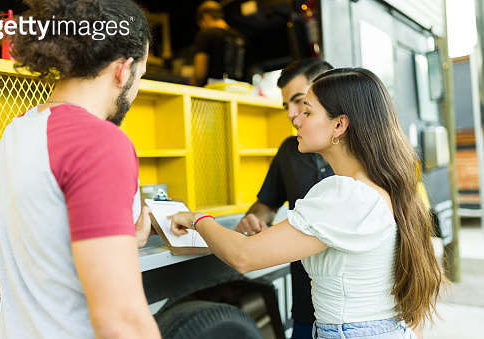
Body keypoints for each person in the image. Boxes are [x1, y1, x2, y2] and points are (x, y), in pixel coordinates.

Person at [171, 68, 447, 338]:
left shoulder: (346, 194)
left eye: (308, 111)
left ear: (339, 125)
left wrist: (196, 219)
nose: (296, 119)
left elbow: (244, 257)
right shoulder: (379, 186)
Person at [0, 1, 161, 338]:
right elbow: (121, 321)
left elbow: (45, 244)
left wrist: (126, 239)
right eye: (141, 75)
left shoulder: (16, 132)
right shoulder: (98, 142)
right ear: (123, 70)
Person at [235, 58, 334, 339]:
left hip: (351, 315)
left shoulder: (362, 160)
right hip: (306, 309)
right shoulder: (290, 150)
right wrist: (254, 218)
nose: (292, 114)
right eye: (286, 106)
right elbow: (266, 204)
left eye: (300, 101)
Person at [190, 0, 250, 86]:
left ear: (206, 18)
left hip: (214, 95)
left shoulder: (206, 34)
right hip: (240, 94)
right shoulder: (243, 39)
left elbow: (200, 74)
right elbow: (249, 74)